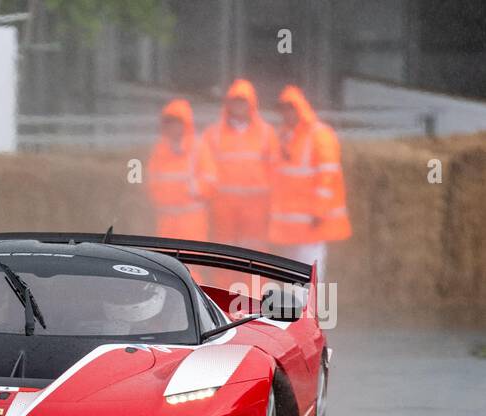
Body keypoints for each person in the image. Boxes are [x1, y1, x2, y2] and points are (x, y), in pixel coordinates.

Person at [267, 85, 351, 280]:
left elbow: (328, 174)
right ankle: (300, 309)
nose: (287, 114)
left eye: (291, 108)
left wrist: (319, 211)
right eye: (284, 110)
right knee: (294, 273)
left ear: (300, 108)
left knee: (310, 269)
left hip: (312, 221)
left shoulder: (319, 135)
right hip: (291, 224)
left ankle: (309, 309)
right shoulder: (284, 136)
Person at [202, 78, 278, 249]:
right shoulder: (213, 134)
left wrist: (273, 205)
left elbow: (275, 171)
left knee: (255, 250)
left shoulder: (267, 133)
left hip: (256, 206)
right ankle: (222, 278)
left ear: (252, 104)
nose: (238, 106)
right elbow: (205, 170)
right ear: (227, 104)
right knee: (224, 250)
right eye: (234, 101)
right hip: (223, 206)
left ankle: (254, 278)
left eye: (243, 102)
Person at [147, 98, 217, 243]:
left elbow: (211, 180)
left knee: (193, 262)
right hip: (165, 221)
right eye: (169, 123)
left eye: (177, 122)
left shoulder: (198, 148)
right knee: (165, 261)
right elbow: (151, 180)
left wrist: (195, 189)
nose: (173, 127)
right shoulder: (159, 149)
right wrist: (160, 195)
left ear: (185, 124)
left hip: (192, 221)